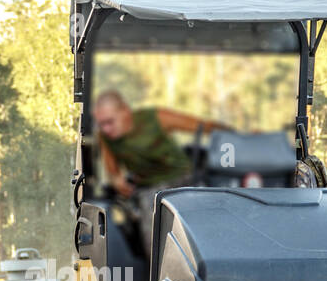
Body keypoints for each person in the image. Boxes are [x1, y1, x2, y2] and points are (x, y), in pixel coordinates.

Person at [92, 91, 233, 253]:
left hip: (184, 179)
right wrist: (117, 181)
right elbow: (113, 171)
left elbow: (204, 126)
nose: (106, 129)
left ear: (125, 111)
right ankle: (161, 273)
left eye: (110, 122)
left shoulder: (156, 118)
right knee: (153, 233)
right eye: (101, 124)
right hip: (150, 189)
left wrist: (239, 136)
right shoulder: (104, 137)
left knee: (214, 217)